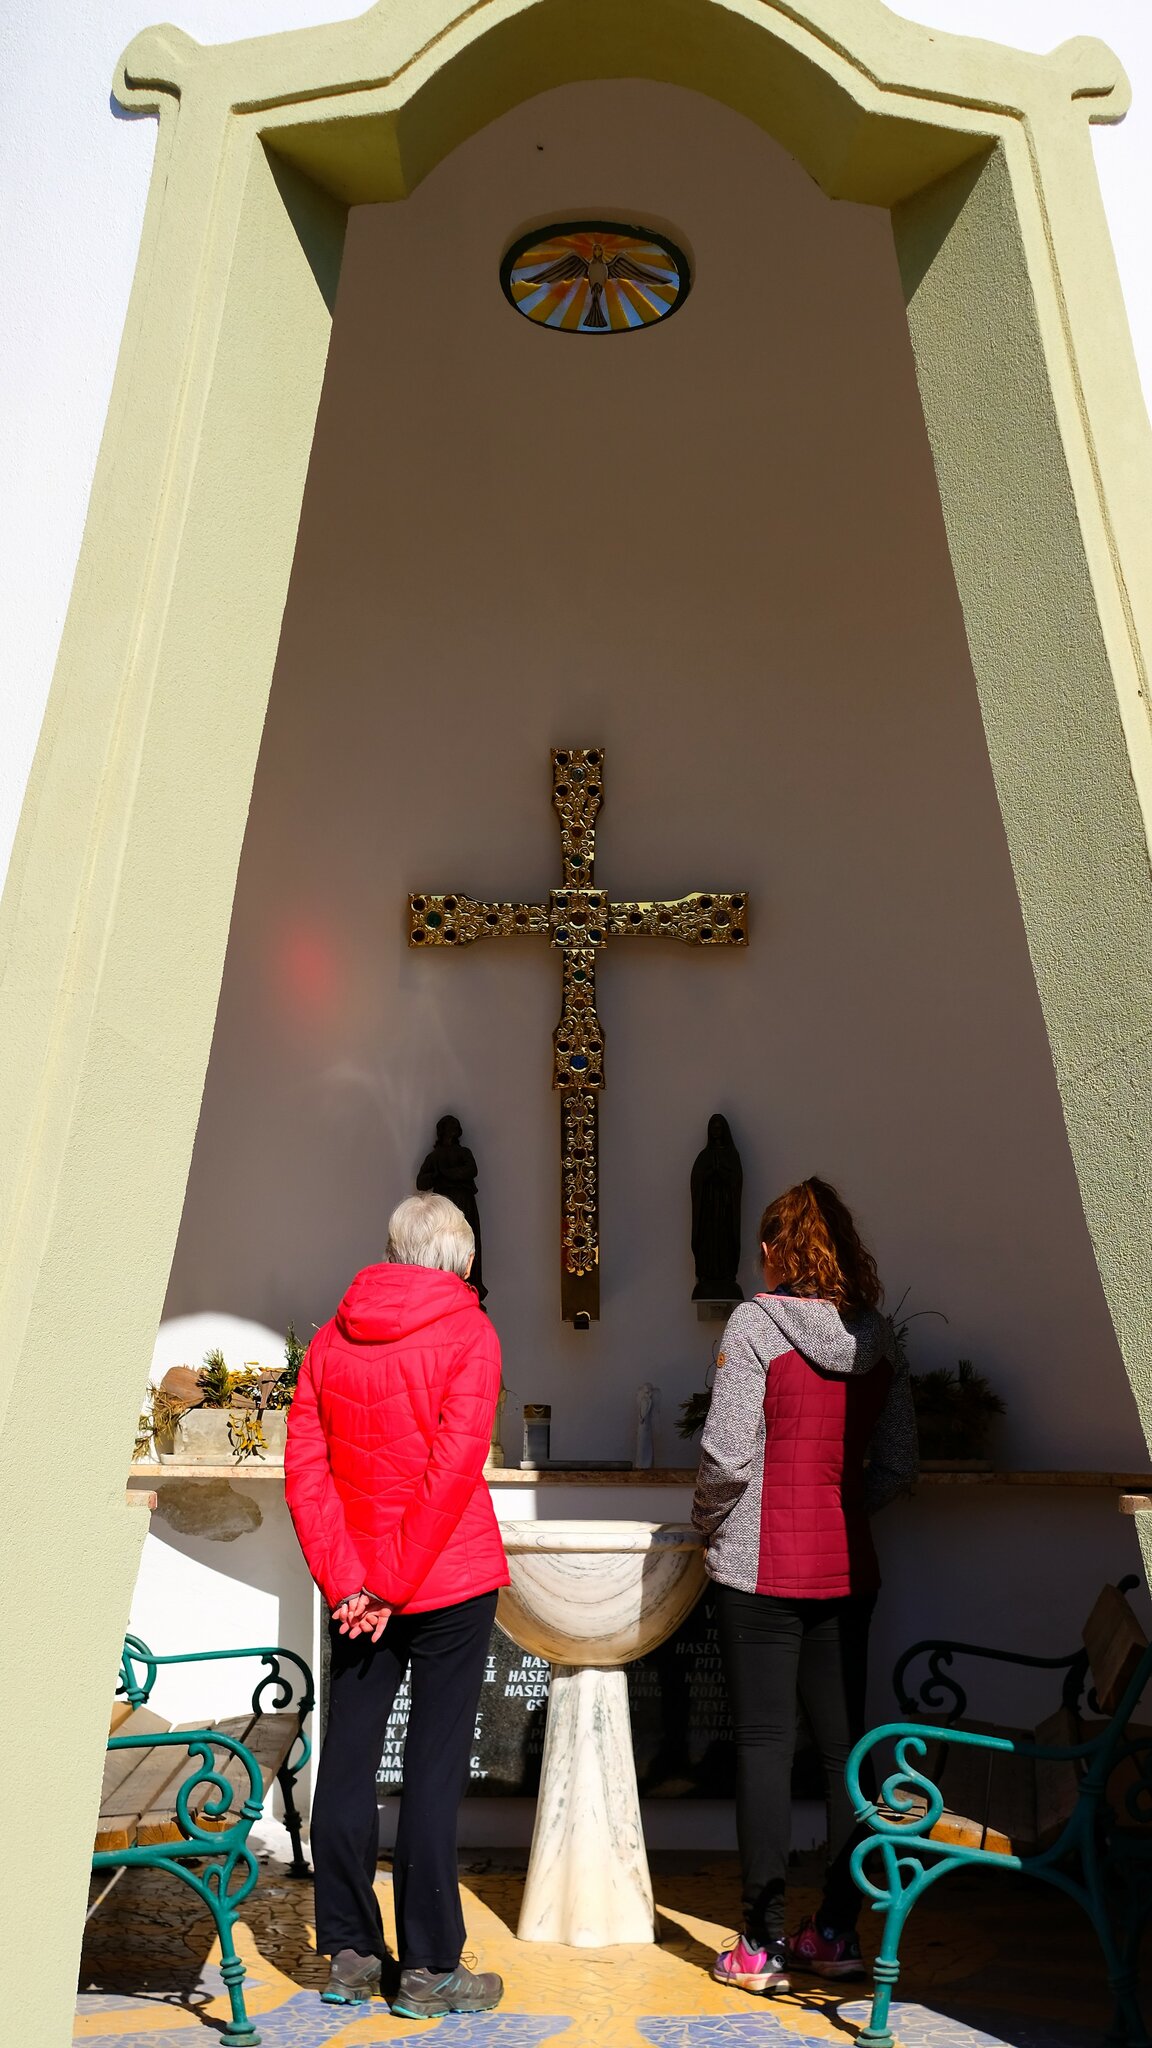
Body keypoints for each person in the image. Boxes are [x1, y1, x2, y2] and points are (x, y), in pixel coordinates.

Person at [285, 1192, 509, 2019]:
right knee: (432, 1771)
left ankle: (345, 1952)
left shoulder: (332, 1337)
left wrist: (351, 1583)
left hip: (360, 1593)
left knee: (347, 1760)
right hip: (443, 1584)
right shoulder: (470, 1333)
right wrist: (387, 1585)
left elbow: (303, 1470)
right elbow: (453, 1473)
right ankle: (427, 1970)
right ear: (458, 1260)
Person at [692, 1177, 917, 1996]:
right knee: (841, 1753)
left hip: (758, 1569)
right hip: (846, 1567)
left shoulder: (756, 1322)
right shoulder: (881, 1339)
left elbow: (725, 1456)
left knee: (761, 1746)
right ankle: (835, 1934)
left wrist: (713, 1523)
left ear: (776, 1251)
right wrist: (847, 1506)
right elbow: (898, 1464)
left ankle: (759, 1943)